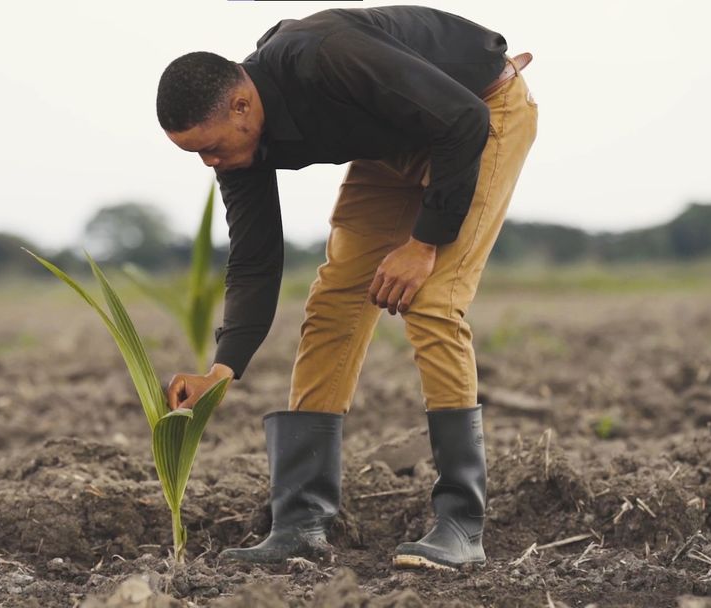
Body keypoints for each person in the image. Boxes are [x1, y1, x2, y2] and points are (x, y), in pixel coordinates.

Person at [155, 5, 537, 571]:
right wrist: (223, 368)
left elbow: (460, 120)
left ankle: (461, 524)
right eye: (196, 154)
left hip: (479, 114)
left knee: (432, 303)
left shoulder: (327, 56)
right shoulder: (240, 145)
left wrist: (424, 243)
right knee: (333, 303)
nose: (211, 162)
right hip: (396, 142)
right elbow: (256, 260)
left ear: (241, 104)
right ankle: (299, 523)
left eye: (210, 147)